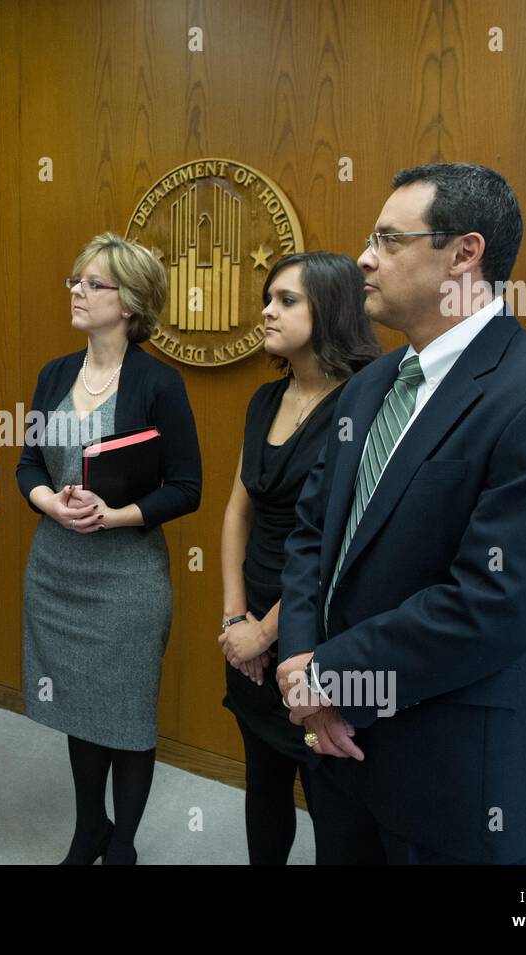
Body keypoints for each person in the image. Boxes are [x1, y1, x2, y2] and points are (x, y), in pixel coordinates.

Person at [275, 162, 526, 864]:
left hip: (453, 781)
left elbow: (493, 602)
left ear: (464, 253)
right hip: (335, 756)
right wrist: (302, 661)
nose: (365, 258)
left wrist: (330, 677)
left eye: (389, 241)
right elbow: (313, 535)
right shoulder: (369, 386)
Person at [18, 233, 201, 865]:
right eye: (75, 279)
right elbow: (26, 468)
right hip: (56, 570)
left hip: (127, 579)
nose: (77, 291)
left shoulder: (159, 384)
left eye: (94, 284)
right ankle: (89, 827)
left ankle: (123, 844)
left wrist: (116, 514)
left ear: (129, 302)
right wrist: (51, 503)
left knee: (125, 712)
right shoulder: (54, 374)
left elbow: (187, 487)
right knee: (80, 705)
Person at [218, 252, 380, 864]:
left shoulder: (363, 406)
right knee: (261, 783)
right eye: (269, 296)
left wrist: (267, 632)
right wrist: (238, 622)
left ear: (331, 308)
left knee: (330, 796)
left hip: (314, 627)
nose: (267, 310)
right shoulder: (265, 398)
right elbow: (237, 512)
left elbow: (339, 545)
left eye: (287, 300)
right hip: (251, 623)